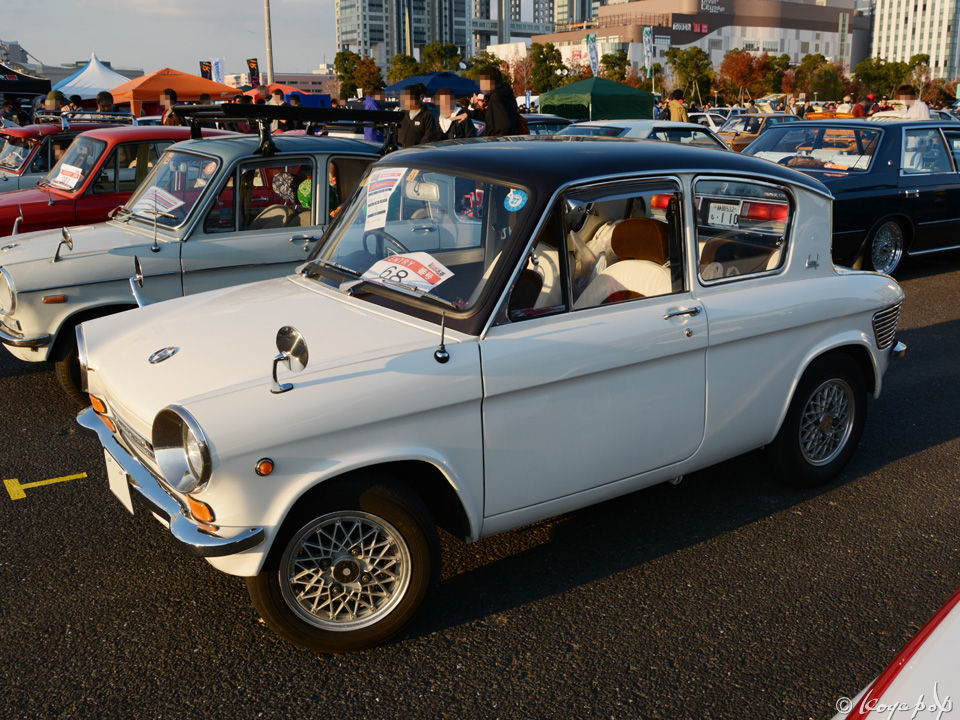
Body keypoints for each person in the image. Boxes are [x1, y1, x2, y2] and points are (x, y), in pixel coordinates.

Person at [469, 65, 521, 136]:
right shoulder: (504, 92)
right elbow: (487, 115)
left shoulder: (496, 96)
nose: (480, 85)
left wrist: (492, 139)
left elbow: (504, 125)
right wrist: (467, 113)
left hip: (497, 141)